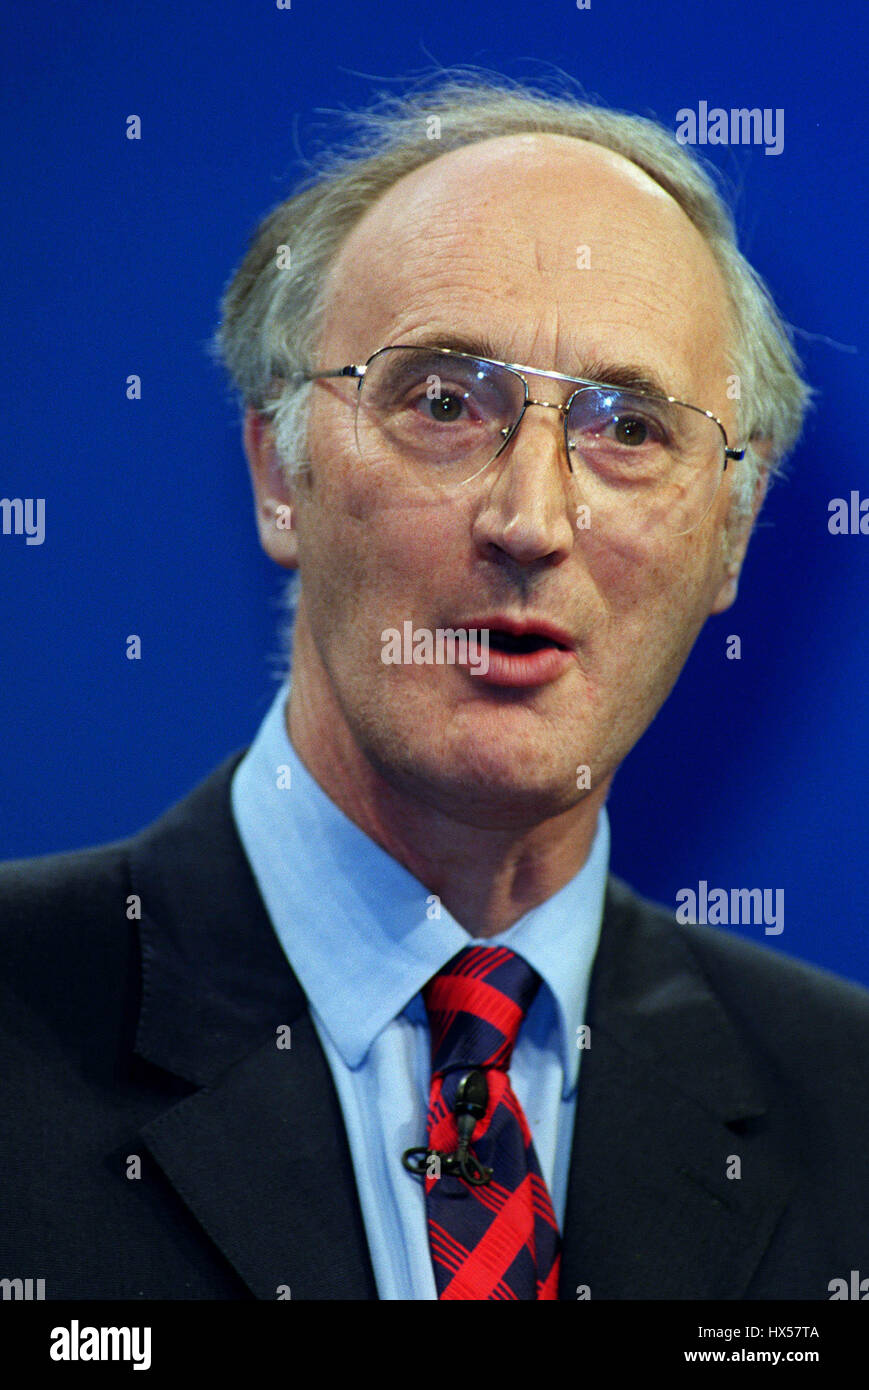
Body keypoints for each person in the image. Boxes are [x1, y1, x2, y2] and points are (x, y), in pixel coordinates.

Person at [2, 76, 868, 1302]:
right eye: (445, 403)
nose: (531, 519)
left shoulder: (847, 1106)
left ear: (731, 529)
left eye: (628, 429)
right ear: (277, 471)